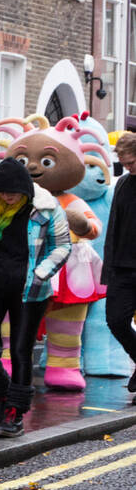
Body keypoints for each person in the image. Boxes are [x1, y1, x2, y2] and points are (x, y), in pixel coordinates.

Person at [0, 157, 71, 437]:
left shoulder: (46, 208)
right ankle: (1, 395)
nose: (8, 196)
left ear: (25, 188)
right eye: (2, 191)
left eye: (13, 191)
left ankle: (15, 412)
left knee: (21, 351)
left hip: (29, 289)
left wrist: (41, 273)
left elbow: (62, 246)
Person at [102, 132, 136, 397]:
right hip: (123, 268)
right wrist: (109, 269)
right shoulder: (123, 185)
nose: (128, 168)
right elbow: (113, 227)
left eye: (132, 162)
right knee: (115, 320)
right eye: (125, 164)